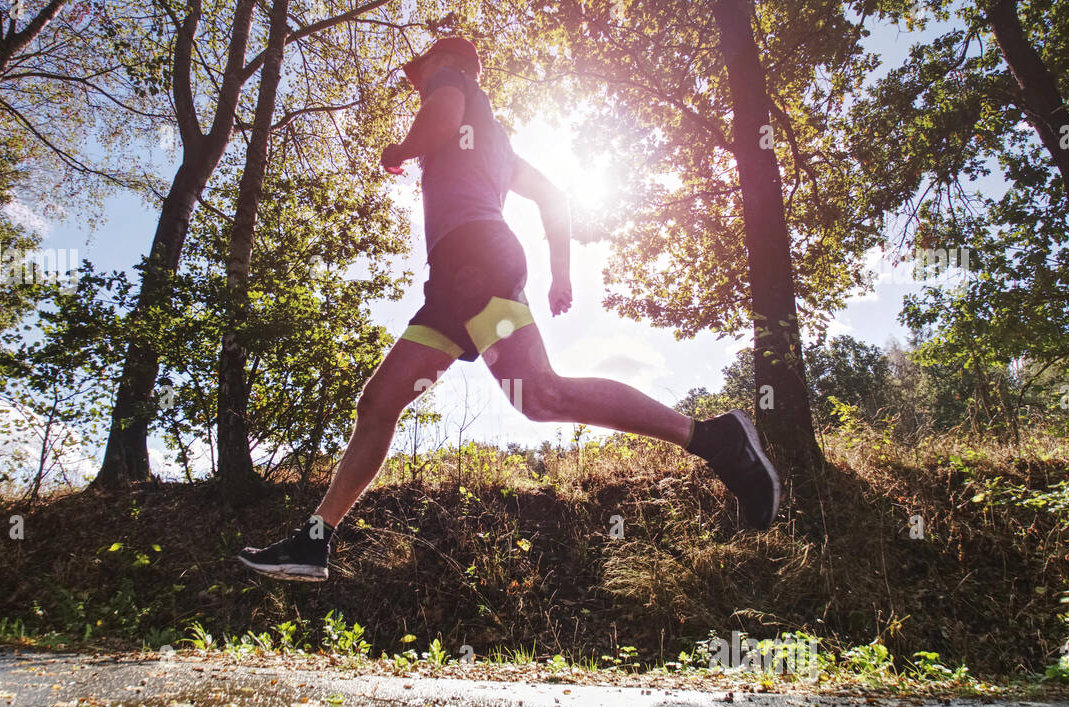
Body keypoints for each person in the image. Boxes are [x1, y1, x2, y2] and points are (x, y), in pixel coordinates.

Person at [238, 36, 779, 581]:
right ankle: (313, 543)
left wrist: (402, 150)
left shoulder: (453, 81)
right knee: (383, 403)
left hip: (474, 264)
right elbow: (554, 197)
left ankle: (715, 438)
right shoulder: (498, 142)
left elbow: (444, 118)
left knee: (541, 393)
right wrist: (560, 274)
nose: (419, 85)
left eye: (420, 75)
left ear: (443, 64)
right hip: (460, 280)